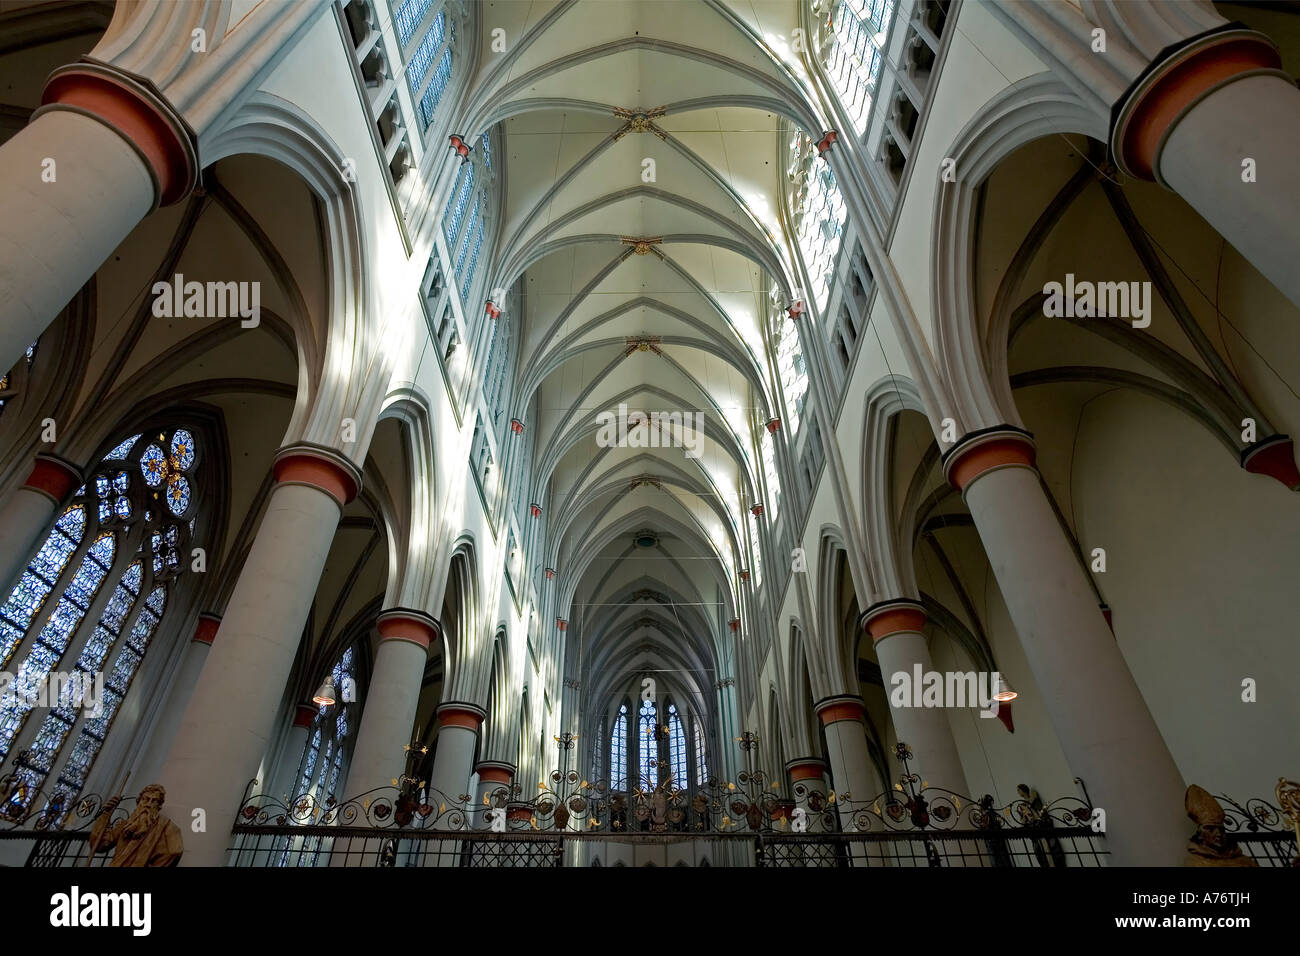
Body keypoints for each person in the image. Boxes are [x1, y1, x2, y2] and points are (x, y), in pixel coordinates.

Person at [89, 783, 184, 867]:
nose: (148, 804)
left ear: (159, 806)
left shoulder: (166, 827)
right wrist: (106, 814)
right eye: (145, 799)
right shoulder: (125, 824)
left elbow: (174, 851)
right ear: (139, 802)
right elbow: (100, 845)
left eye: (154, 801)